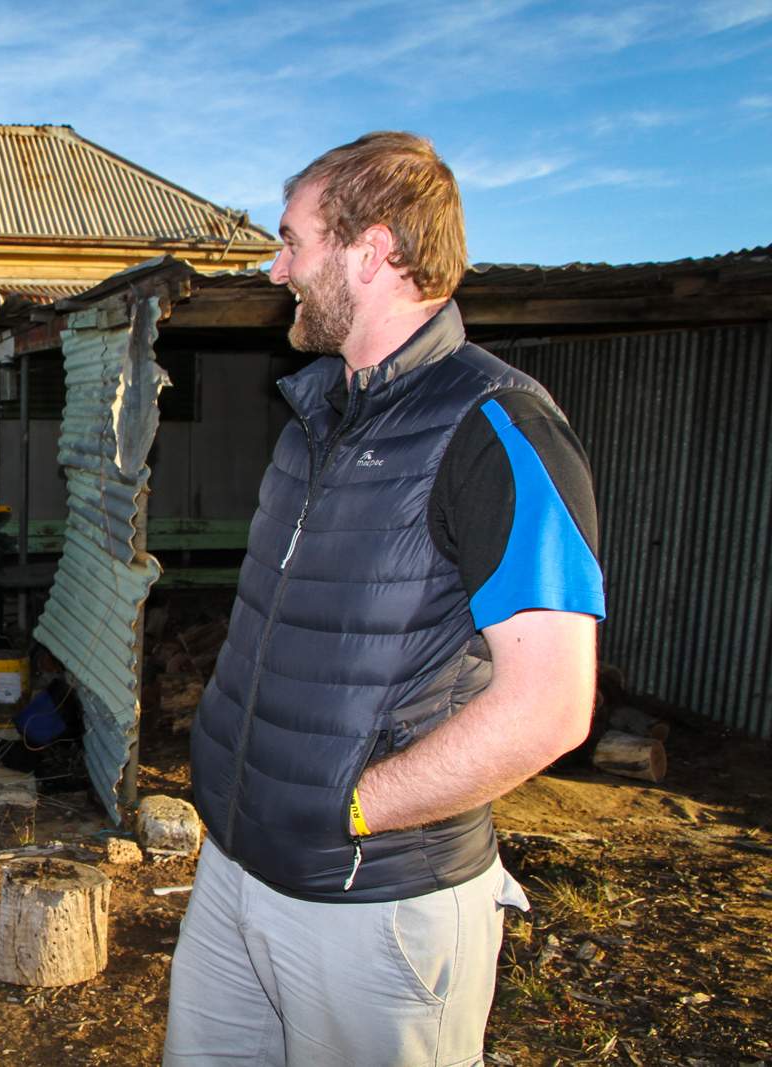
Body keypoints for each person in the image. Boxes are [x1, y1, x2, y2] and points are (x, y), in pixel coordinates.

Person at [163, 132, 606, 1066]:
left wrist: (356, 807)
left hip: (375, 905)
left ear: (370, 250)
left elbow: (552, 705)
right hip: (237, 868)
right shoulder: (315, 415)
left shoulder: (495, 425)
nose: (276, 267)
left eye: (293, 240)